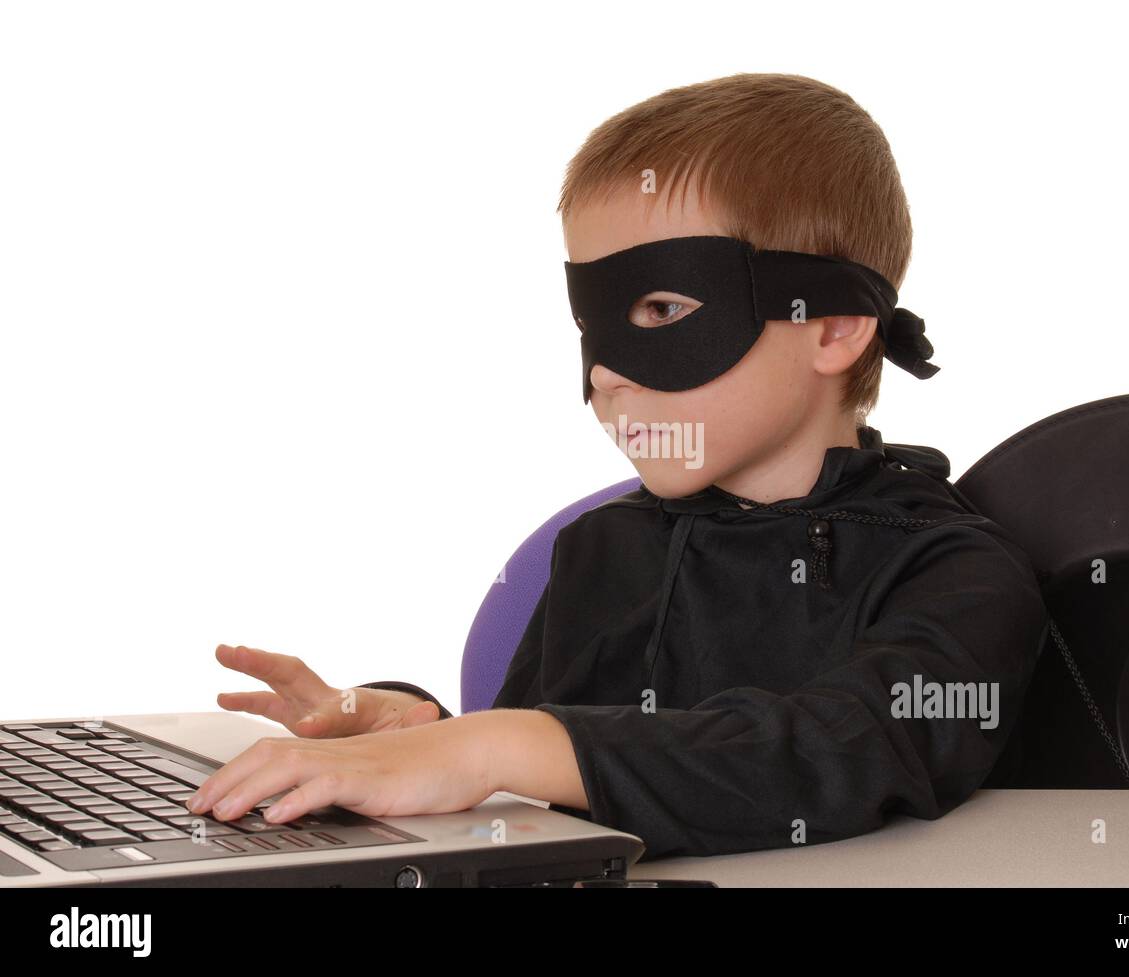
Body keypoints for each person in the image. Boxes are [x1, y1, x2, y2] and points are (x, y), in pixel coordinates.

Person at [187, 73, 1050, 861]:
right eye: (593, 324)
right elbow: (553, 779)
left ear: (832, 325)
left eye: (663, 306)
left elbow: (842, 749)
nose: (605, 371)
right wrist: (415, 728)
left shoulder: (960, 575)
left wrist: (489, 744)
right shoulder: (603, 549)